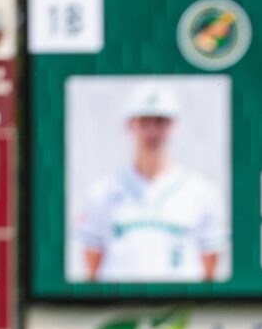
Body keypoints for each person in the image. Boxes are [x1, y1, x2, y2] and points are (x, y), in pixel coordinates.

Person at [76, 81, 226, 284]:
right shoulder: (102, 191)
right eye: (144, 122)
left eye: (160, 122)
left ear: (172, 126)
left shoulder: (201, 191)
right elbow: (93, 264)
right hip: (120, 305)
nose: (152, 131)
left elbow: (210, 267)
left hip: (181, 305)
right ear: (130, 125)